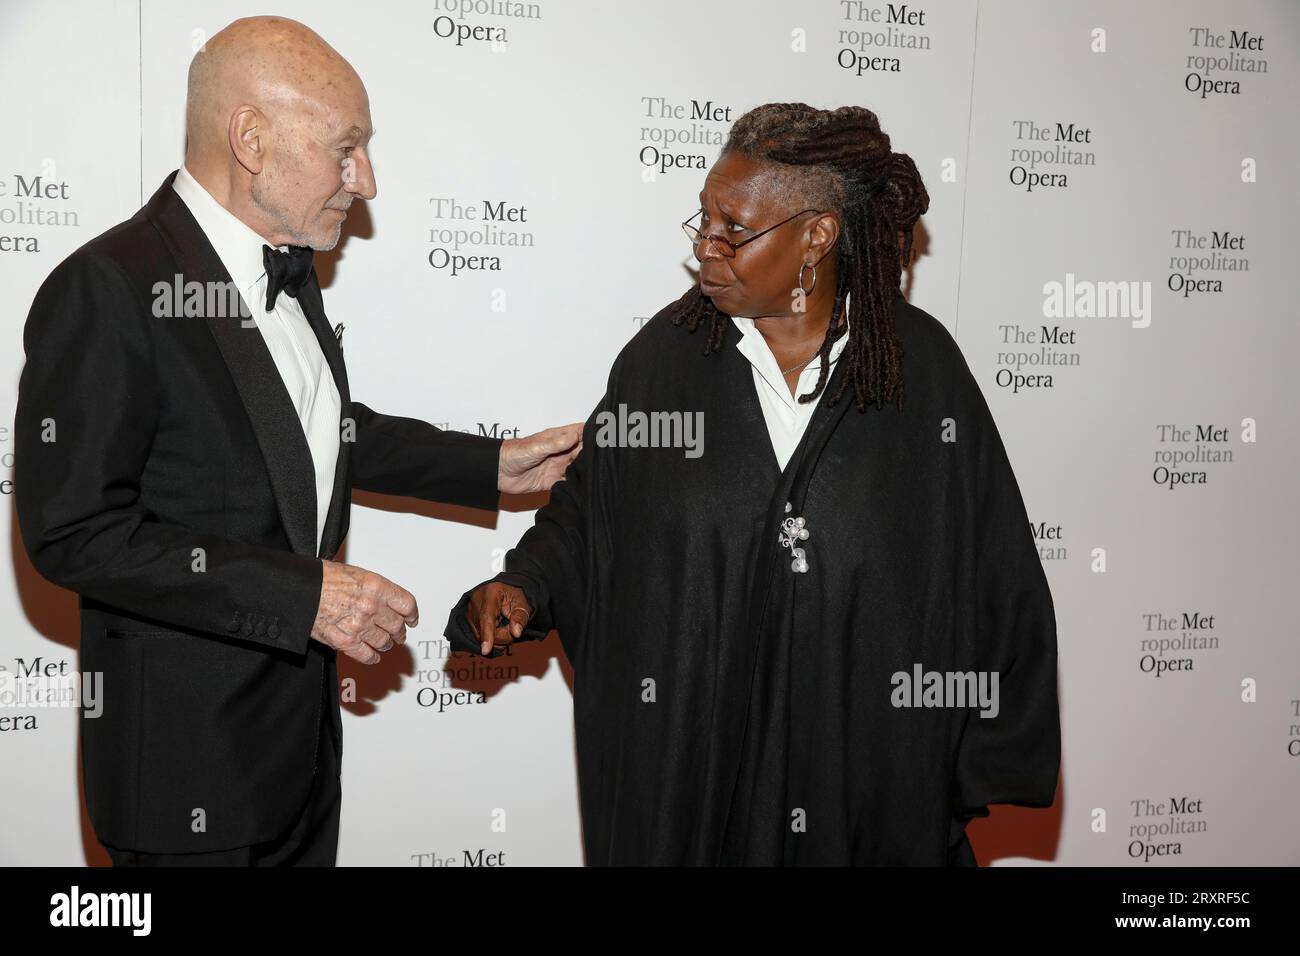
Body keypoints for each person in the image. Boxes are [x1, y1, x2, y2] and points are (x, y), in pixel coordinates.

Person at [14, 16, 579, 866]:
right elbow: (73, 532)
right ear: (251, 138)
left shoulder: (288, 263)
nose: (369, 183)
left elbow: (310, 430)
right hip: (186, 777)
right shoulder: (108, 288)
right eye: (346, 150)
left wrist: (487, 464)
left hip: (300, 756)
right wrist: (301, 596)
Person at [449, 103, 1060, 865]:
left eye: (733, 229)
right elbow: (592, 512)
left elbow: (994, 564)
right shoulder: (662, 362)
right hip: (699, 779)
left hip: (863, 784)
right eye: (702, 221)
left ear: (816, 235)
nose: (706, 247)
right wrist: (526, 586)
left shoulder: (920, 372)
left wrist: (970, 762)